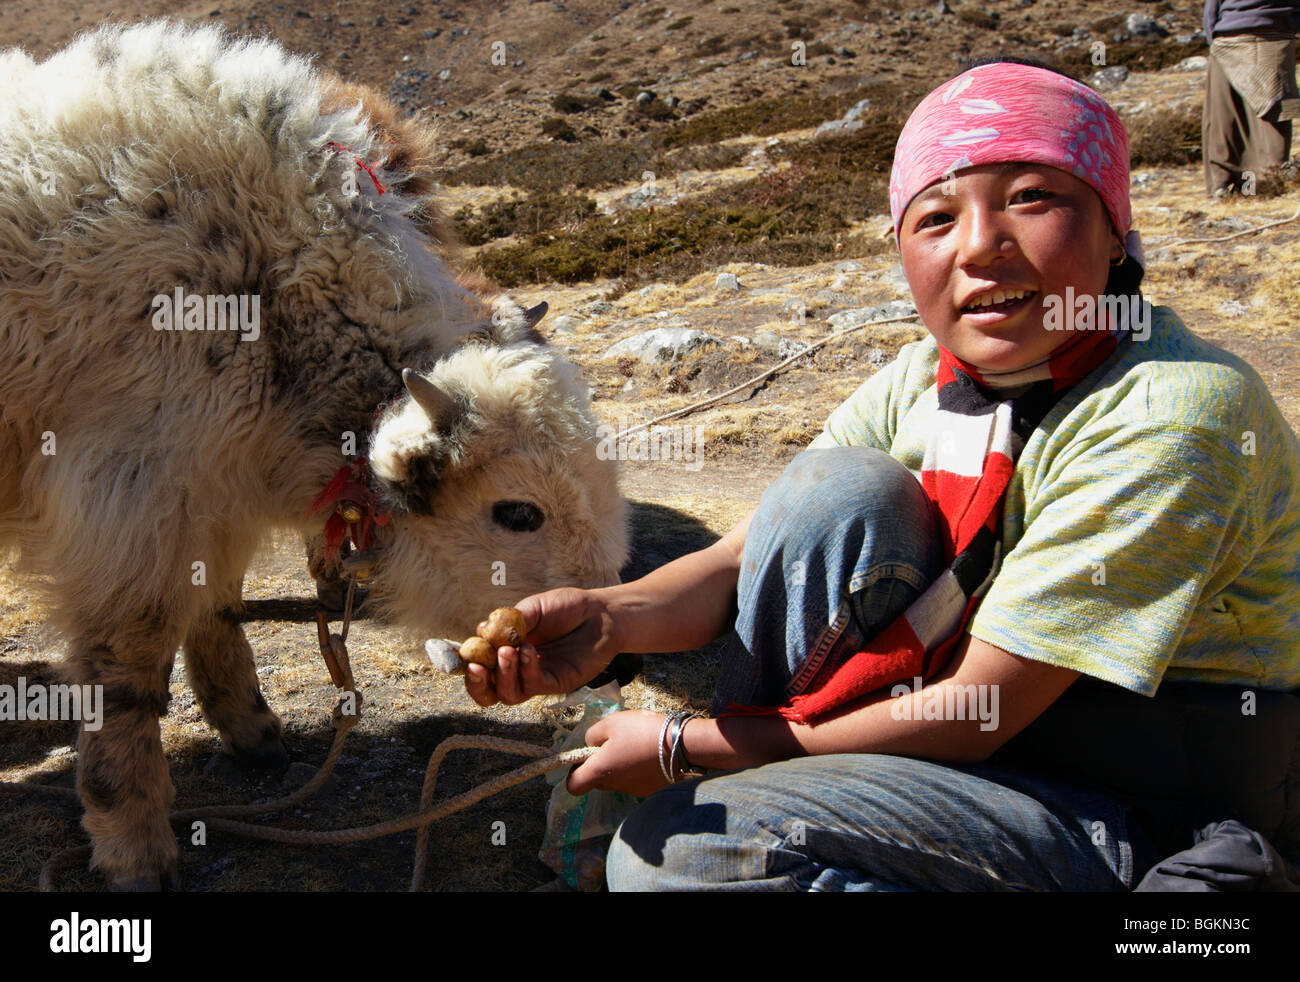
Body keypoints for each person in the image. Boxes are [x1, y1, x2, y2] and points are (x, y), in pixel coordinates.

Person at [464, 57, 1300, 891]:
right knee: (833, 491)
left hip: (1129, 806)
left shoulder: (1175, 414)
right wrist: (608, 620)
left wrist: (690, 752)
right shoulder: (924, 378)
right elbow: (743, 562)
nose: (980, 246)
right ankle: (777, 790)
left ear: (1116, 227)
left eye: (1033, 197)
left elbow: (983, 709)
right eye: (937, 217)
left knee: (692, 858)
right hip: (977, 751)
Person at [1202, 0, 1300, 197]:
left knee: (1225, 119)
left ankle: (1225, 186)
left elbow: (1211, 10)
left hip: (1229, 36)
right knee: (1271, 116)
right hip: (1275, 36)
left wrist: (1214, 38)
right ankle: (1266, 185)